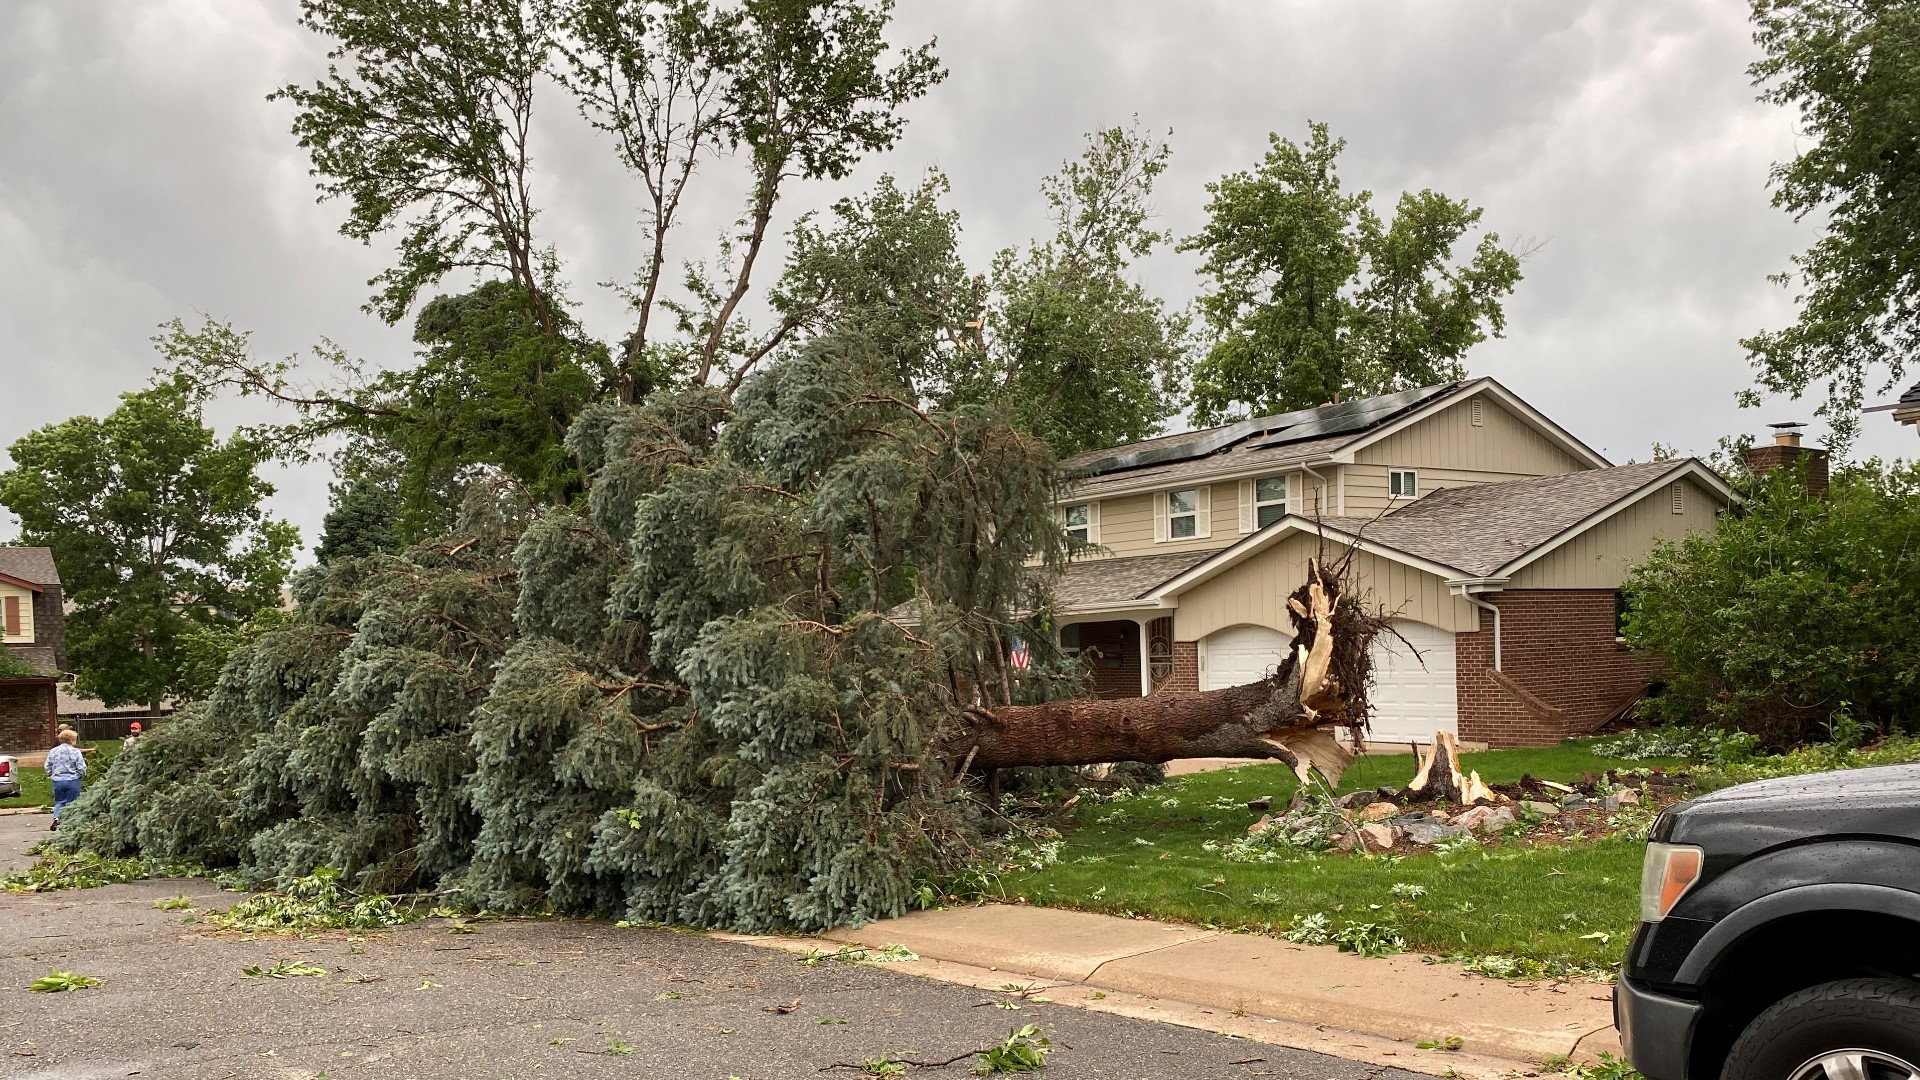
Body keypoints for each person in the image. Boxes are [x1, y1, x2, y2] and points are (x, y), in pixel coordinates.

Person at [45, 729, 87, 831]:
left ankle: (57, 817)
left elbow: (47, 766)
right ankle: (71, 822)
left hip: (57, 780)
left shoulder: (53, 751)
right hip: (73, 780)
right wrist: (82, 775)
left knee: (59, 801)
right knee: (72, 802)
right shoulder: (75, 751)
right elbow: (81, 767)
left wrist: (51, 774)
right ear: (71, 740)